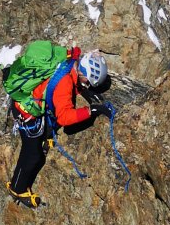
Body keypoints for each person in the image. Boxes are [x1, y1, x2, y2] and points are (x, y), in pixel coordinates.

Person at [6, 46, 110, 208]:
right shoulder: (65, 83)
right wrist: (91, 111)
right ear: (82, 73)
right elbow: (65, 118)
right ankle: (16, 188)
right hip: (25, 111)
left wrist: (85, 92)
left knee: (45, 126)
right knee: (33, 155)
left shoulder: (70, 60)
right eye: (87, 83)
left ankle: (43, 141)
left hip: (31, 100)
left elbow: (65, 86)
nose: (87, 86)